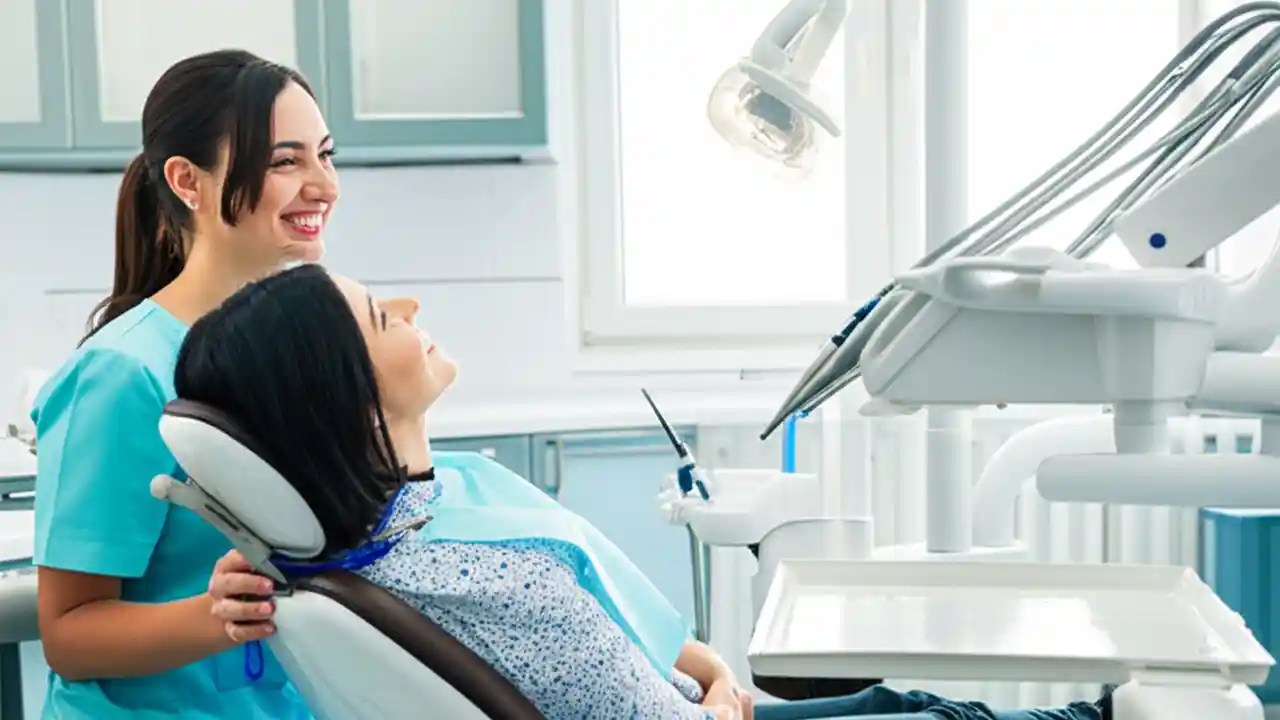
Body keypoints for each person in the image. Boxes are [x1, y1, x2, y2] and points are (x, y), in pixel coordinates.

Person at [175, 264, 1114, 720]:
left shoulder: (404, 529)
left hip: (702, 701)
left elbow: (624, 669)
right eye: (382, 317)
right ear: (344, 398)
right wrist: (717, 703)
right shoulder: (467, 574)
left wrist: (708, 676)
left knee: (899, 706)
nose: (413, 310)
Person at [30, 48, 340, 718]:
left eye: (326, 154)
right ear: (188, 181)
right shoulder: (121, 374)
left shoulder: (299, 356)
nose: (323, 185)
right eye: (285, 161)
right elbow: (70, 634)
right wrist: (217, 615)